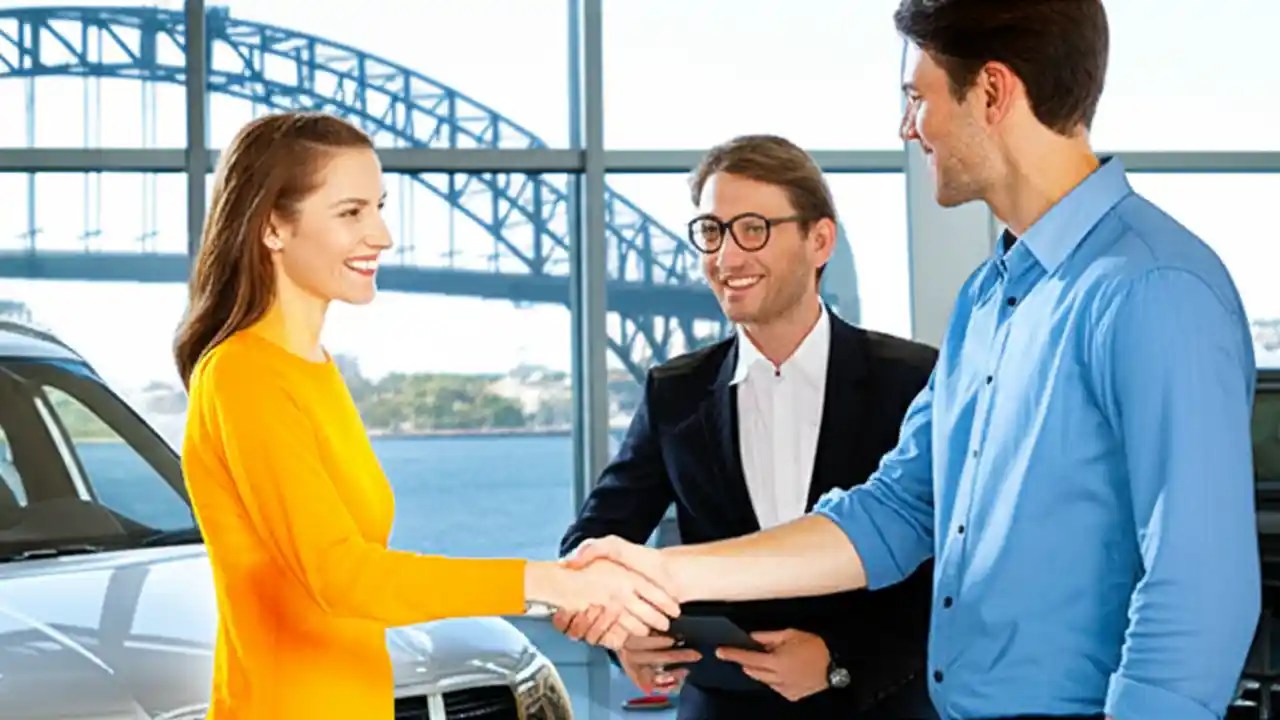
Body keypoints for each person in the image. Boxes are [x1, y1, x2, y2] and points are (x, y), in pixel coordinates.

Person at [565, 2, 1262, 719]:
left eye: (917, 98)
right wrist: (660, 569)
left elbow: (1201, 587)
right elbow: (894, 512)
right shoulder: (989, 303)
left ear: (991, 92)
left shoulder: (1152, 289)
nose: (908, 128)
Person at [173, 110, 678, 719]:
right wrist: (551, 583)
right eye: (351, 212)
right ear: (273, 226)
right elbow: (342, 576)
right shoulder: (243, 374)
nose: (382, 234)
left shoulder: (312, 368)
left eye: (379, 207)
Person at [553, 135, 940, 719]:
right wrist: (623, 637)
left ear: (820, 240)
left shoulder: (914, 378)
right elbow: (592, 543)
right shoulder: (674, 392)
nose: (727, 257)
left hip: (877, 705)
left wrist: (844, 662)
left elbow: (955, 565)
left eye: (752, 228)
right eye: (712, 231)